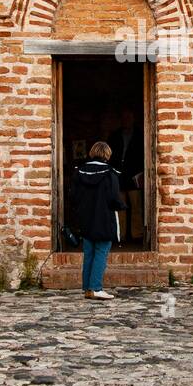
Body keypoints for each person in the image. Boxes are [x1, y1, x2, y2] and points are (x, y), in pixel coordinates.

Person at [71, 141, 125, 300]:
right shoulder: (110, 173)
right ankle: (95, 288)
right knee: (101, 252)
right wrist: (122, 206)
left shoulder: (79, 171)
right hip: (104, 218)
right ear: (107, 154)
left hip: (85, 218)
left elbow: (73, 196)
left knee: (89, 253)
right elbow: (114, 198)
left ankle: (88, 288)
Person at [107, 107, 144, 243]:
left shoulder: (140, 134)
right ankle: (120, 235)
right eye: (124, 118)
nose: (126, 120)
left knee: (136, 207)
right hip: (118, 176)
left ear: (133, 119)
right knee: (120, 207)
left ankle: (137, 235)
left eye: (128, 117)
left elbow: (144, 154)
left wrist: (140, 172)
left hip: (134, 175)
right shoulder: (114, 135)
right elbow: (109, 155)